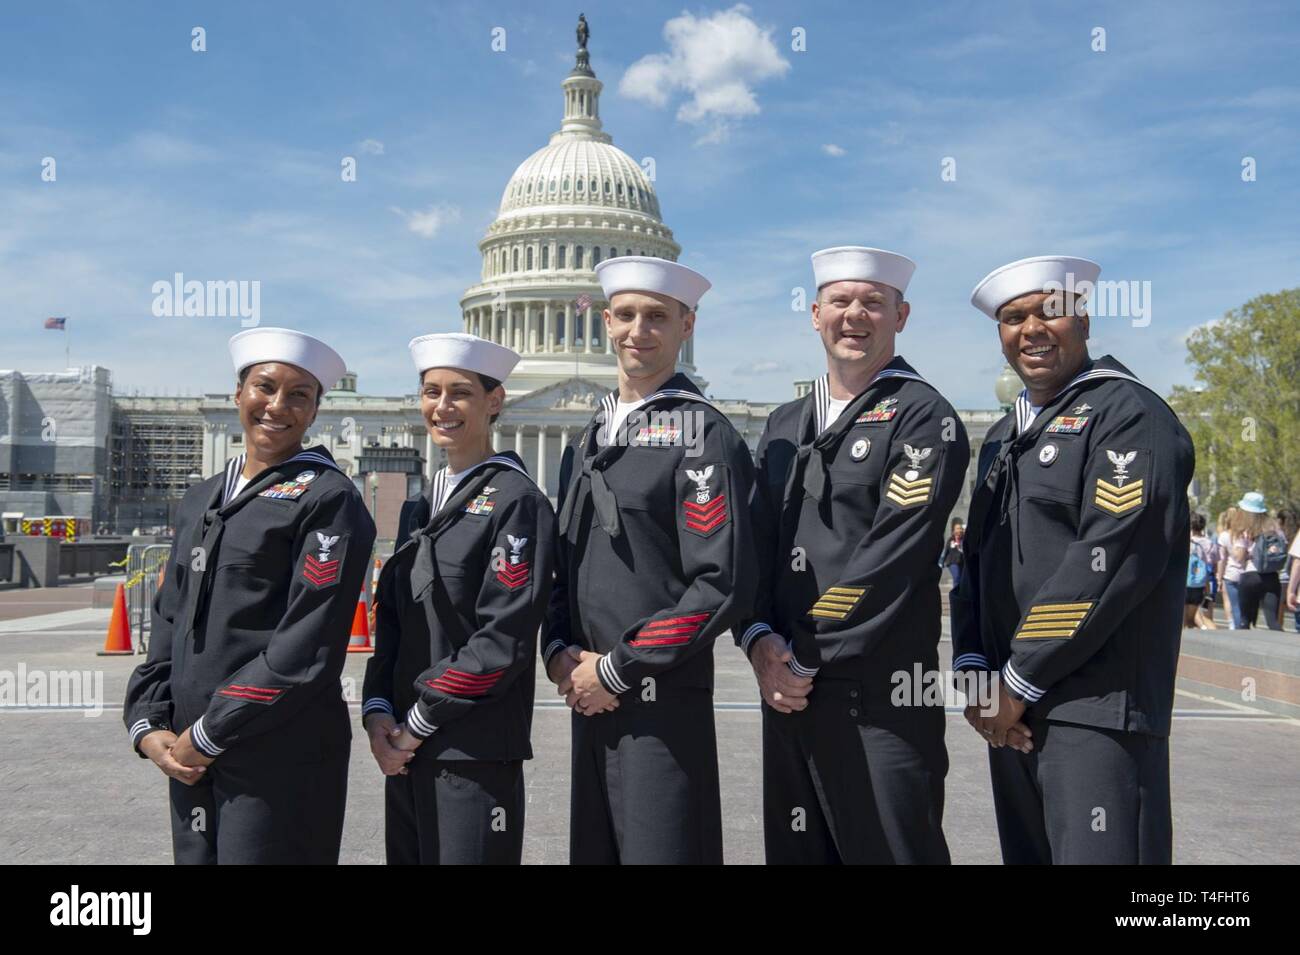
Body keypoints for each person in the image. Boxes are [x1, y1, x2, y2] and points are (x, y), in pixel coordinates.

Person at [952, 256, 1194, 864]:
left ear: (1082, 318)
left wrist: (1015, 680)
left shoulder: (1128, 415)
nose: (1030, 329)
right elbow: (972, 564)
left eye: (1049, 313)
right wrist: (978, 672)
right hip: (1012, 709)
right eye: (1013, 318)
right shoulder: (1005, 436)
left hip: (1094, 709)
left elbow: (1110, 557)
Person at [736, 246, 968, 864]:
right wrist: (758, 639)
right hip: (786, 690)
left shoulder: (924, 417)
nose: (854, 315)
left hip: (878, 700)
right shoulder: (785, 423)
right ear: (816, 314)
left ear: (902, 315)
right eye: (840, 301)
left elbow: (891, 555)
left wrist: (803, 654)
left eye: (873, 302)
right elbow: (754, 546)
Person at [123, 327, 376, 864]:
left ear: (314, 412)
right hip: (189, 750)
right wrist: (149, 723)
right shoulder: (200, 498)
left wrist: (212, 731)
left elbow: (306, 643)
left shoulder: (329, 499)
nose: (277, 406)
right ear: (238, 394)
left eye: (299, 396)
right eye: (264, 387)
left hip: (277, 752)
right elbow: (171, 616)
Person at [546, 256, 758, 864]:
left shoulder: (702, 434)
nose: (640, 330)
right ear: (606, 322)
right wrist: (559, 652)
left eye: (658, 317)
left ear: (686, 326)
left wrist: (617, 668)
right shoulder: (587, 439)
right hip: (588, 696)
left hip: (660, 701)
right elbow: (567, 560)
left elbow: (718, 585)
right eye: (628, 316)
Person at [361, 333, 555, 865]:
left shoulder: (517, 502)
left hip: (472, 747)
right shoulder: (419, 507)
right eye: (431, 392)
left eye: (460, 393)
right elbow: (393, 621)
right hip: (405, 744)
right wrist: (378, 712)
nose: (441, 408)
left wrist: (418, 719)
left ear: (494, 402)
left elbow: (504, 639)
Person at [1234, 492, 1285, 630]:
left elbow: (1239, 557)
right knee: (1273, 622)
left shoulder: (1245, 530)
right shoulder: (1275, 530)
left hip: (1250, 576)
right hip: (1271, 576)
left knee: (1244, 621)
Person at [1217, 507, 1243, 628]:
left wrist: (1219, 577)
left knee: (1228, 600)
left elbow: (1222, 559)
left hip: (1230, 573)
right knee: (1241, 601)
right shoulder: (1243, 534)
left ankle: (1232, 624)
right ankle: (1242, 622)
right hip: (1244, 573)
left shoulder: (1224, 536)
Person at [1186, 513, 1214, 630]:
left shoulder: (1187, 541)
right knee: (1193, 616)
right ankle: (1203, 628)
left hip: (1185, 581)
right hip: (1201, 582)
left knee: (1184, 619)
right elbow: (1212, 562)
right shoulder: (1209, 542)